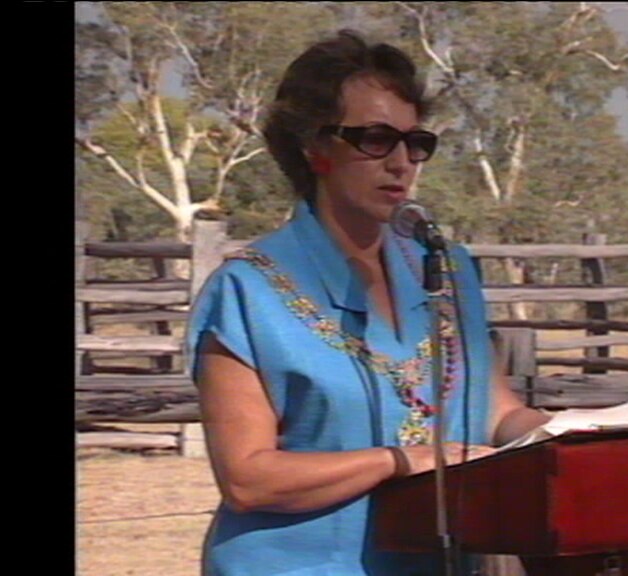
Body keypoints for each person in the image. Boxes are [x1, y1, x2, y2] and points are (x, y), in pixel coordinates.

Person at [186, 30, 551, 576]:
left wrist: (573, 436)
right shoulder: (248, 291)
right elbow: (247, 479)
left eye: (415, 143)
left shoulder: (447, 270)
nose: (402, 163)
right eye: (376, 139)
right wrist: (400, 461)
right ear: (314, 146)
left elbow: (496, 412)